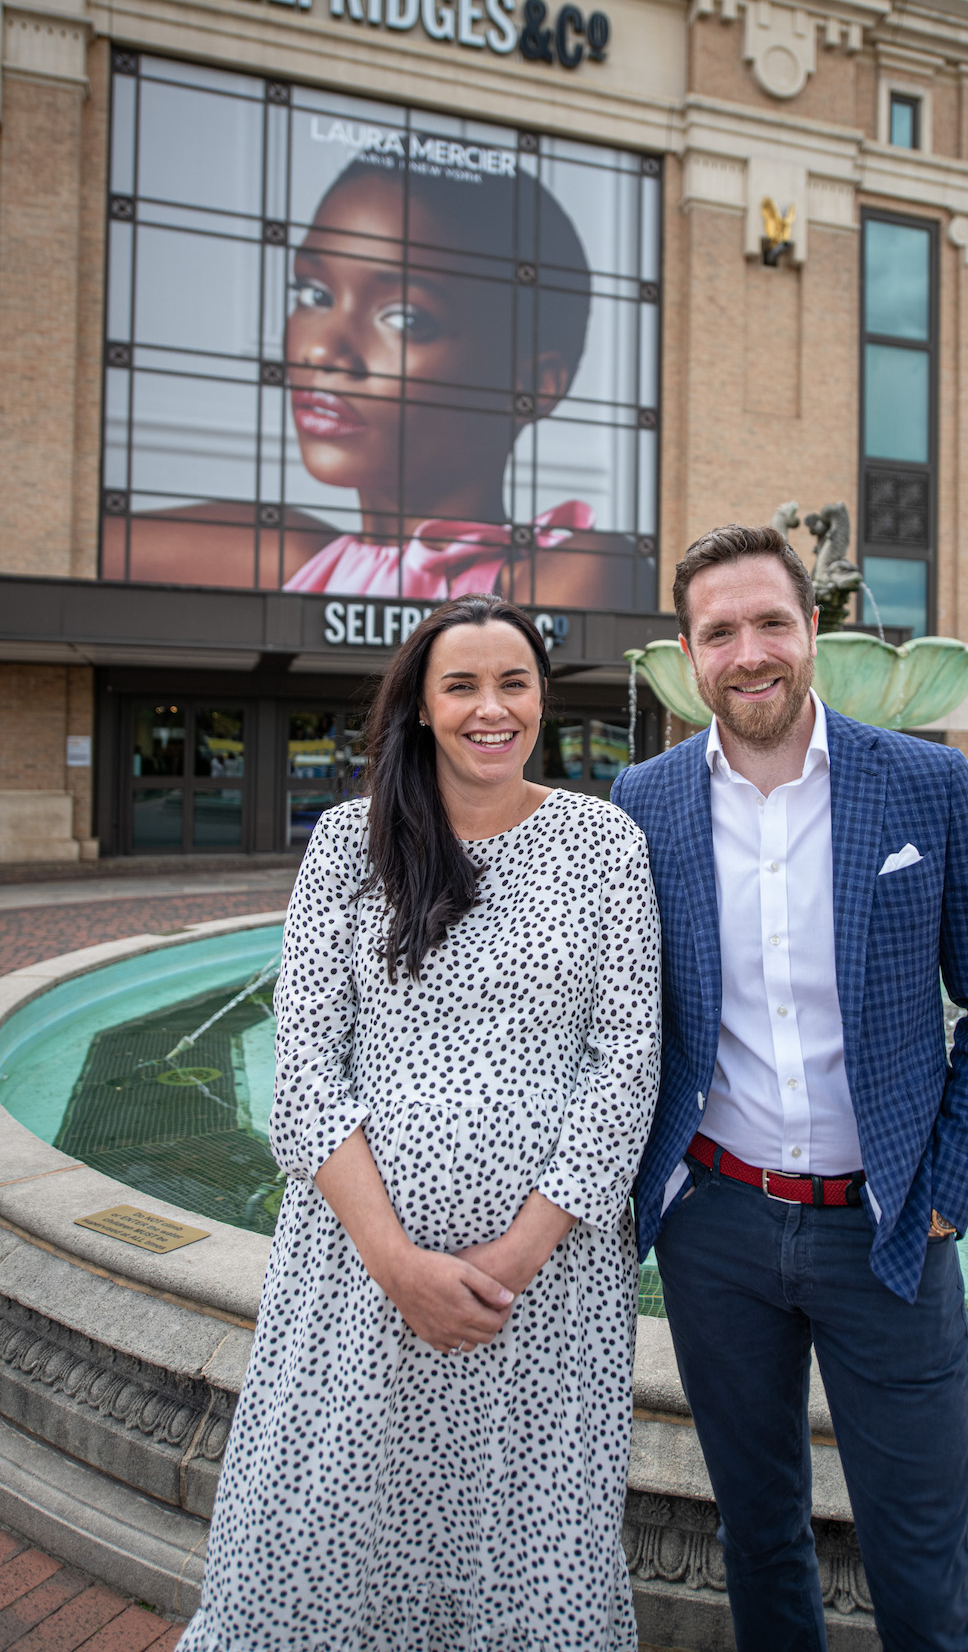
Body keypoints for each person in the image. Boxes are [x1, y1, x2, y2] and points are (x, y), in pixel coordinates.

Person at [180, 592, 661, 1652]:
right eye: (463, 685)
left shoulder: (605, 845)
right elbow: (304, 1068)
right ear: (423, 708)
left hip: (546, 1290)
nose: (492, 709)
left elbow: (625, 1065)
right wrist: (396, 1261)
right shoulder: (352, 844)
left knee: (524, 1537)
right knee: (334, 1522)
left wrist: (518, 1255)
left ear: (542, 699)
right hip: (356, 1275)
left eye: (514, 683)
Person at [610, 524, 968, 1652]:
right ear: (689, 653)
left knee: (919, 1564)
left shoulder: (926, 783)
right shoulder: (641, 801)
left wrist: (948, 1192)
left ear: (813, 630)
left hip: (890, 1237)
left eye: (769, 623)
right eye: (719, 632)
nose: (747, 652)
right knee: (756, 1538)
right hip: (716, 1234)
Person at [122, 151, 636, 607]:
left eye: (405, 318)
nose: (323, 350)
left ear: (533, 386)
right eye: (313, 294)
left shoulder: (572, 569)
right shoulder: (283, 554)